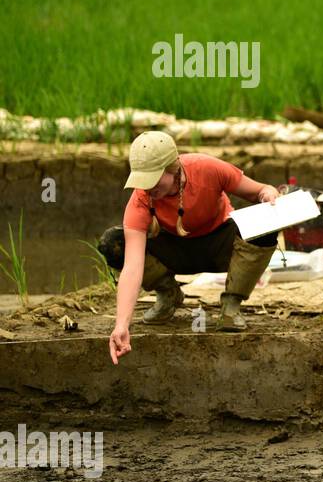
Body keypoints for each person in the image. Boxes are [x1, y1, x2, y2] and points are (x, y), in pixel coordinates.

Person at [104, 132, 282, 364]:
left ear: (173, 168)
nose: (148, 188)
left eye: (154, 179)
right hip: (175, 251)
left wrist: (268, 194)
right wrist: (121, 325)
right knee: (114, 243)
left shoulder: (208, 169)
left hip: (220, 245)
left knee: (266, 223)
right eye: (142, 180)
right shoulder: (141, 200)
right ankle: (168, 293)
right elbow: (132, 266)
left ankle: (231, 304)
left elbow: (259, 190)